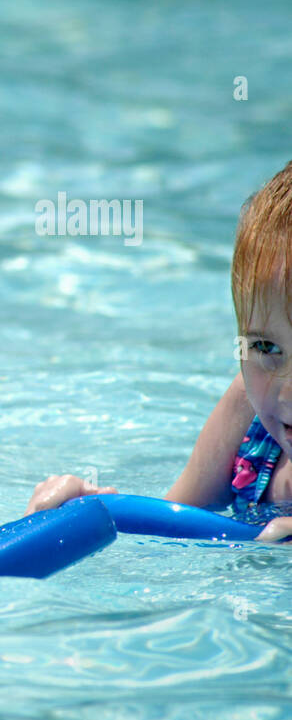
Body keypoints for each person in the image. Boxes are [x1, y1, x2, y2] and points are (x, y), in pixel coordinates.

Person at [27, 160, 292, 541]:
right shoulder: (249, 420)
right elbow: (162, 542)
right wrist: (62, 521)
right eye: (265, 346)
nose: (286, 390)